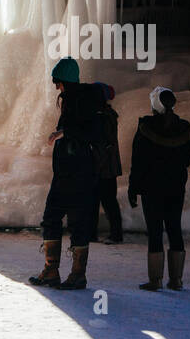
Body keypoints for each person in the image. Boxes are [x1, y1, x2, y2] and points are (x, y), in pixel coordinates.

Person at [29, 57, 104, 290]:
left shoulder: (77, 100)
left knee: (53, 218)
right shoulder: (81, 99)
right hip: (76, 172)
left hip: (72, 172)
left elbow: (89, 131)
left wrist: (63, 132)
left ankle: (60, 272)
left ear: (66, 81)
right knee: (75, 221)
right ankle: (68, 273)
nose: (56, 86)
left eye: (58, 82)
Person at [128, 87, 190, 290]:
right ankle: (176, 280)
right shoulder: (183, 129)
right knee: (175, 228)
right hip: (175, 186)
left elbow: (137, 162)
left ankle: (155, 280)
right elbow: (188, 159)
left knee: (155, 231)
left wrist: (133, 188)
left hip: (152, 187)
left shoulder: (145, 128)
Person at [93, 82, 124, 244]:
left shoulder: (104, 117)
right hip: (106, 167)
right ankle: (98, 233)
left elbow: (105, 143)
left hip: (104, 167)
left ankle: (115, 234)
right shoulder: (106, 115)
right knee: (103, 201)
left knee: (107, 201)